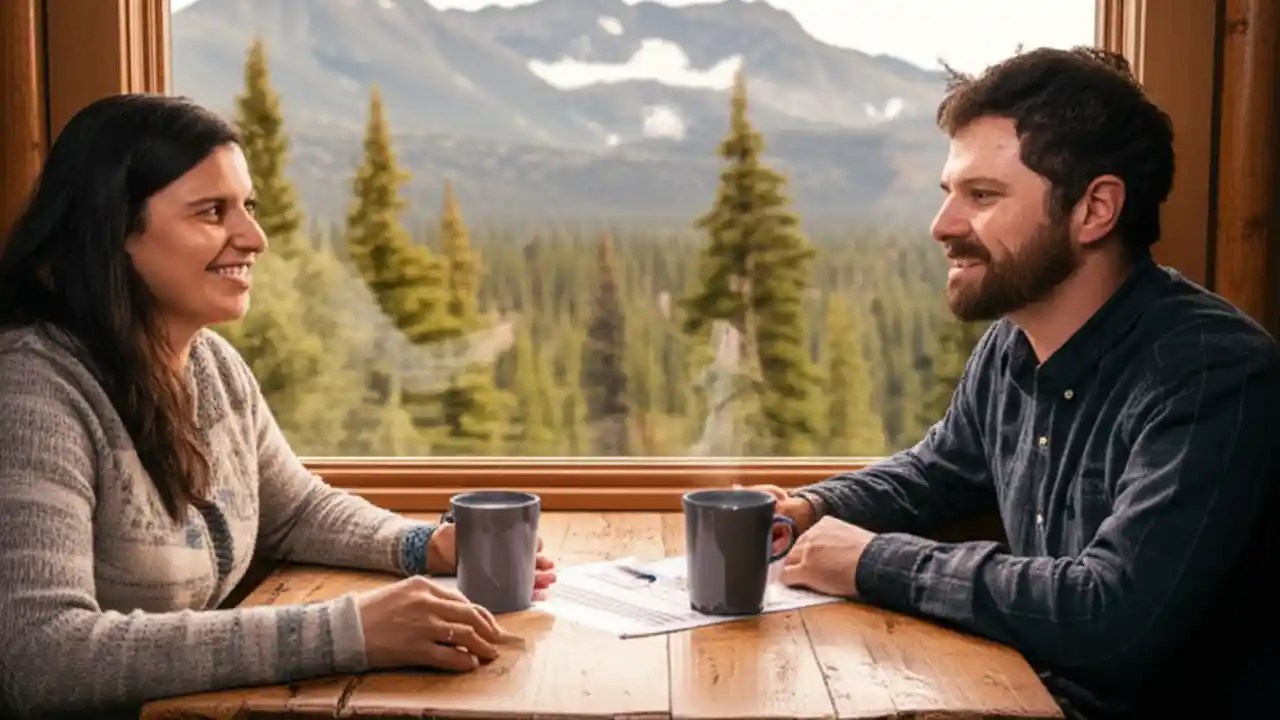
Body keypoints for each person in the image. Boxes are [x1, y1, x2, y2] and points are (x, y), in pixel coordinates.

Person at [0, 93, 557, 718]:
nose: (254, 238)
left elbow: (293, 511)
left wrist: (425, 546)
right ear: (112, 230)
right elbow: (39, 655)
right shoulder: (30, 391)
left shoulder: (210, 366)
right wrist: (348, 631)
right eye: (213, 212)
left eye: (249, 207)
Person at [761, 47, 1280, 718]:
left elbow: (1112, 615)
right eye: (949, 193)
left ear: (1095, 210)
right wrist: (809, 507)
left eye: (982, 196)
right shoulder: (1014, 342)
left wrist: (871, 562)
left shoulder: (1213, 374)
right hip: (1022, 696)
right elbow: (935, 473)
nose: (943, 226)